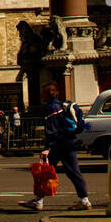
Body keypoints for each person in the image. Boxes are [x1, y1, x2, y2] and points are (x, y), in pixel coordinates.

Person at [21, 83, 90, 212]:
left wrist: (47, 148)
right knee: (72, 172)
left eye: (43, 93)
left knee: (47, 172)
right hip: (69, 141)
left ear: (48, 94)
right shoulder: (60, 105)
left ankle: (38, 201)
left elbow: (52, 130)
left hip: (59, 144)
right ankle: (84, 200)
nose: (41, 95)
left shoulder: (51, 107)